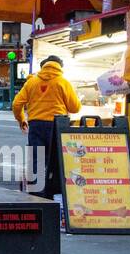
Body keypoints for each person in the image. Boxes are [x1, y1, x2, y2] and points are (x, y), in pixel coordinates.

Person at [11, 55, 81, 199]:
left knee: (37, 160)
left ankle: (36, 195)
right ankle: (55, 193)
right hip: (57, 126)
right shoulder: (63, 82)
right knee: (57, 161)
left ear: (43, 67)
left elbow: (16, 104)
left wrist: (21, 119)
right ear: (60, 66)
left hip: (36, 125)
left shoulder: (32, 82)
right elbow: (75, 108)